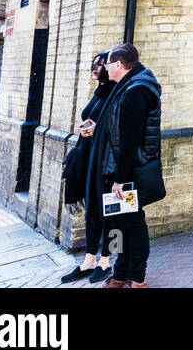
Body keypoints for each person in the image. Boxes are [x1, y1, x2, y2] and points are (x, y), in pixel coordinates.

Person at [92, 42, 162, 288]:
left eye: (108, 64)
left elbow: (131, 140)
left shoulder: (137, 91)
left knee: (133, 225)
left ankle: (138, 278)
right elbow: (118, 129)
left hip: (129, 172)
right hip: (114, 169)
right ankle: (119, 274)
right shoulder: (124, 88)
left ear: (119, 65)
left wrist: (120, 180)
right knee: (116, 225)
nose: (105, 68)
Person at [60, 52, 115, 284]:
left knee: (110, 213)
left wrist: (98, 129)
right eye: (93, 64)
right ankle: (89, 261)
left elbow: (119, 127)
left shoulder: (116, 92)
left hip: (106, 162)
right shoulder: (100, 91)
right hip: (89, 156)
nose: (95, 68)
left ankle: (106, 261)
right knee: (92, 210)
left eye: (100, 65)